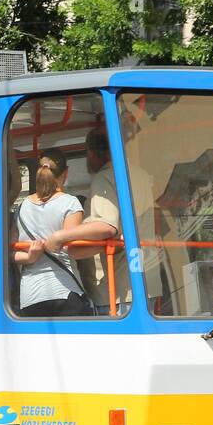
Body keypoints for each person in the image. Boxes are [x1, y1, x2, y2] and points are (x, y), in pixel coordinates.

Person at [41, 129, 128, 315]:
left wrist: (60, 237)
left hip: (111, 289)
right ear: (65, 173)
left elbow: (107, 227)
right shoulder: (140, 174)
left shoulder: (103, 178)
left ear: (90, 152)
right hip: (144, 283)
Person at [13, 152, 90, 317]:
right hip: (65, 290)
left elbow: (9, 251)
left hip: (29, 297)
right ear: (65, 173)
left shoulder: (22, 207)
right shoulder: (70, 202)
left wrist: (29, 258)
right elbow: (73, 250)